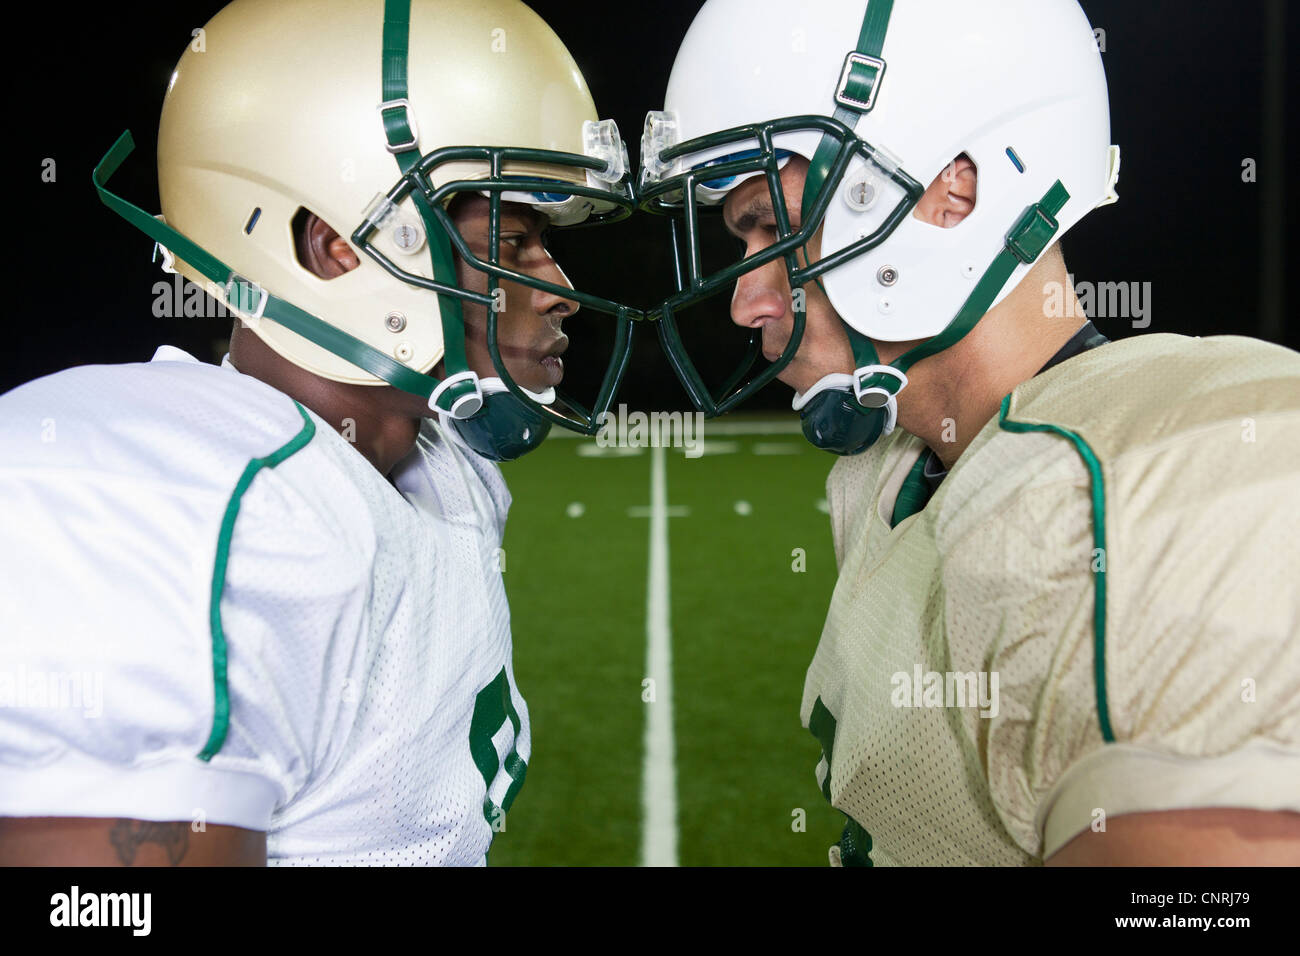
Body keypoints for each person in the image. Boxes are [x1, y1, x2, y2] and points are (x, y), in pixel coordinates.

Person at [639, 0, 1300, 865]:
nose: (747, 298)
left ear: (954, 190)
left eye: (771, 224)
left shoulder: (1131, 486)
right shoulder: (900, 471)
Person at [0, 0, 636, 866]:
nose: (559, 287)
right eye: (515, 242)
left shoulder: (444, 465)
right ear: (333, 245)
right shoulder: (188, 510)